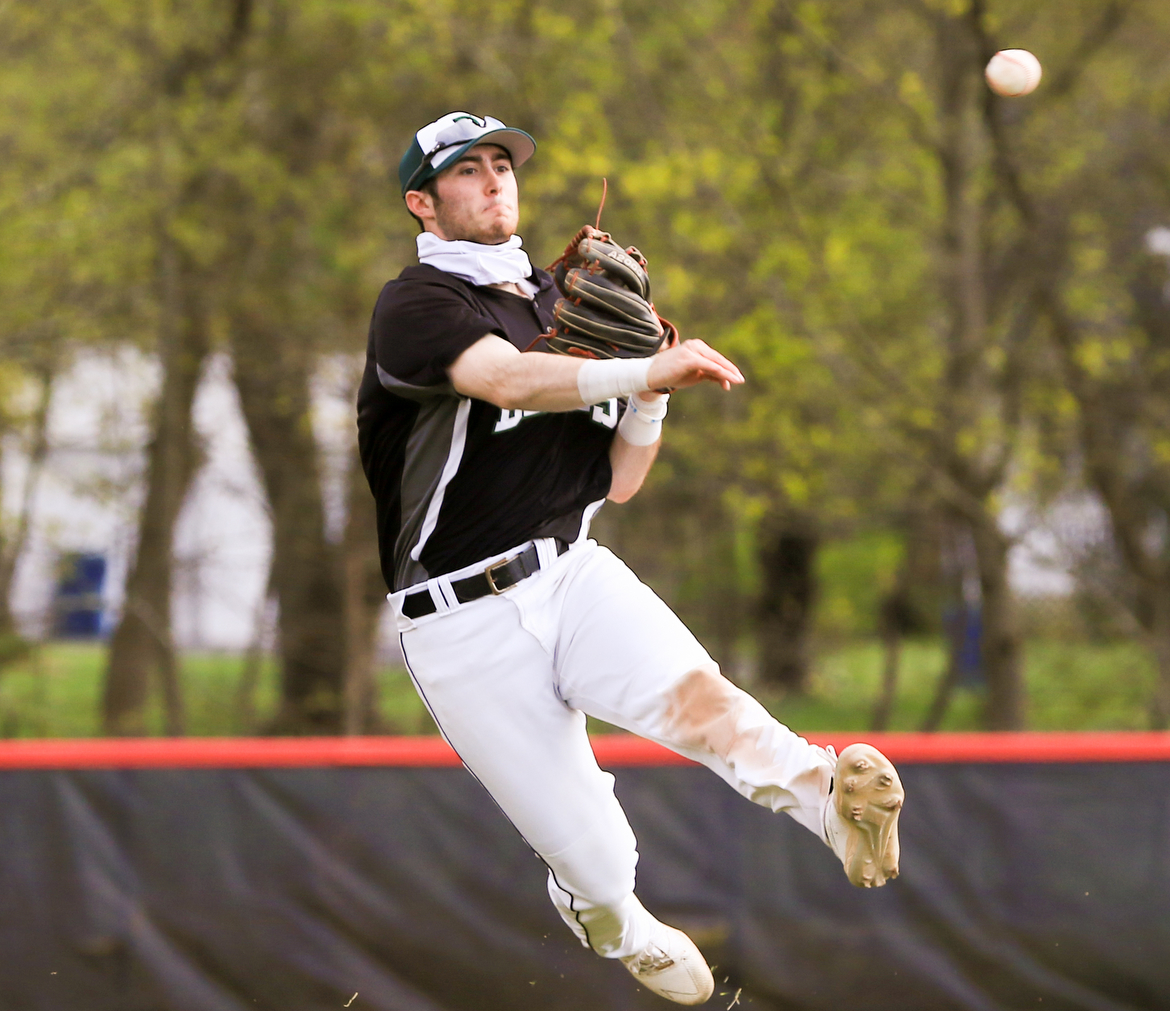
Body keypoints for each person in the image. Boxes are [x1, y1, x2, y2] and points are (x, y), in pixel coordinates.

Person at [356, 111, 904, 1006]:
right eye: (467, 171)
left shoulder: (559, 301)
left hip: (574, 575)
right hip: (461, 626)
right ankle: (618, 924)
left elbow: (619, 483)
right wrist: (640, 372)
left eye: (503, 164)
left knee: (712, 708)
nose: (494, 179)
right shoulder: (417, 306)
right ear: (423, 203)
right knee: (602, 859)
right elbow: (505, 380)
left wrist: (656, 388)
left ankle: (830, 800)